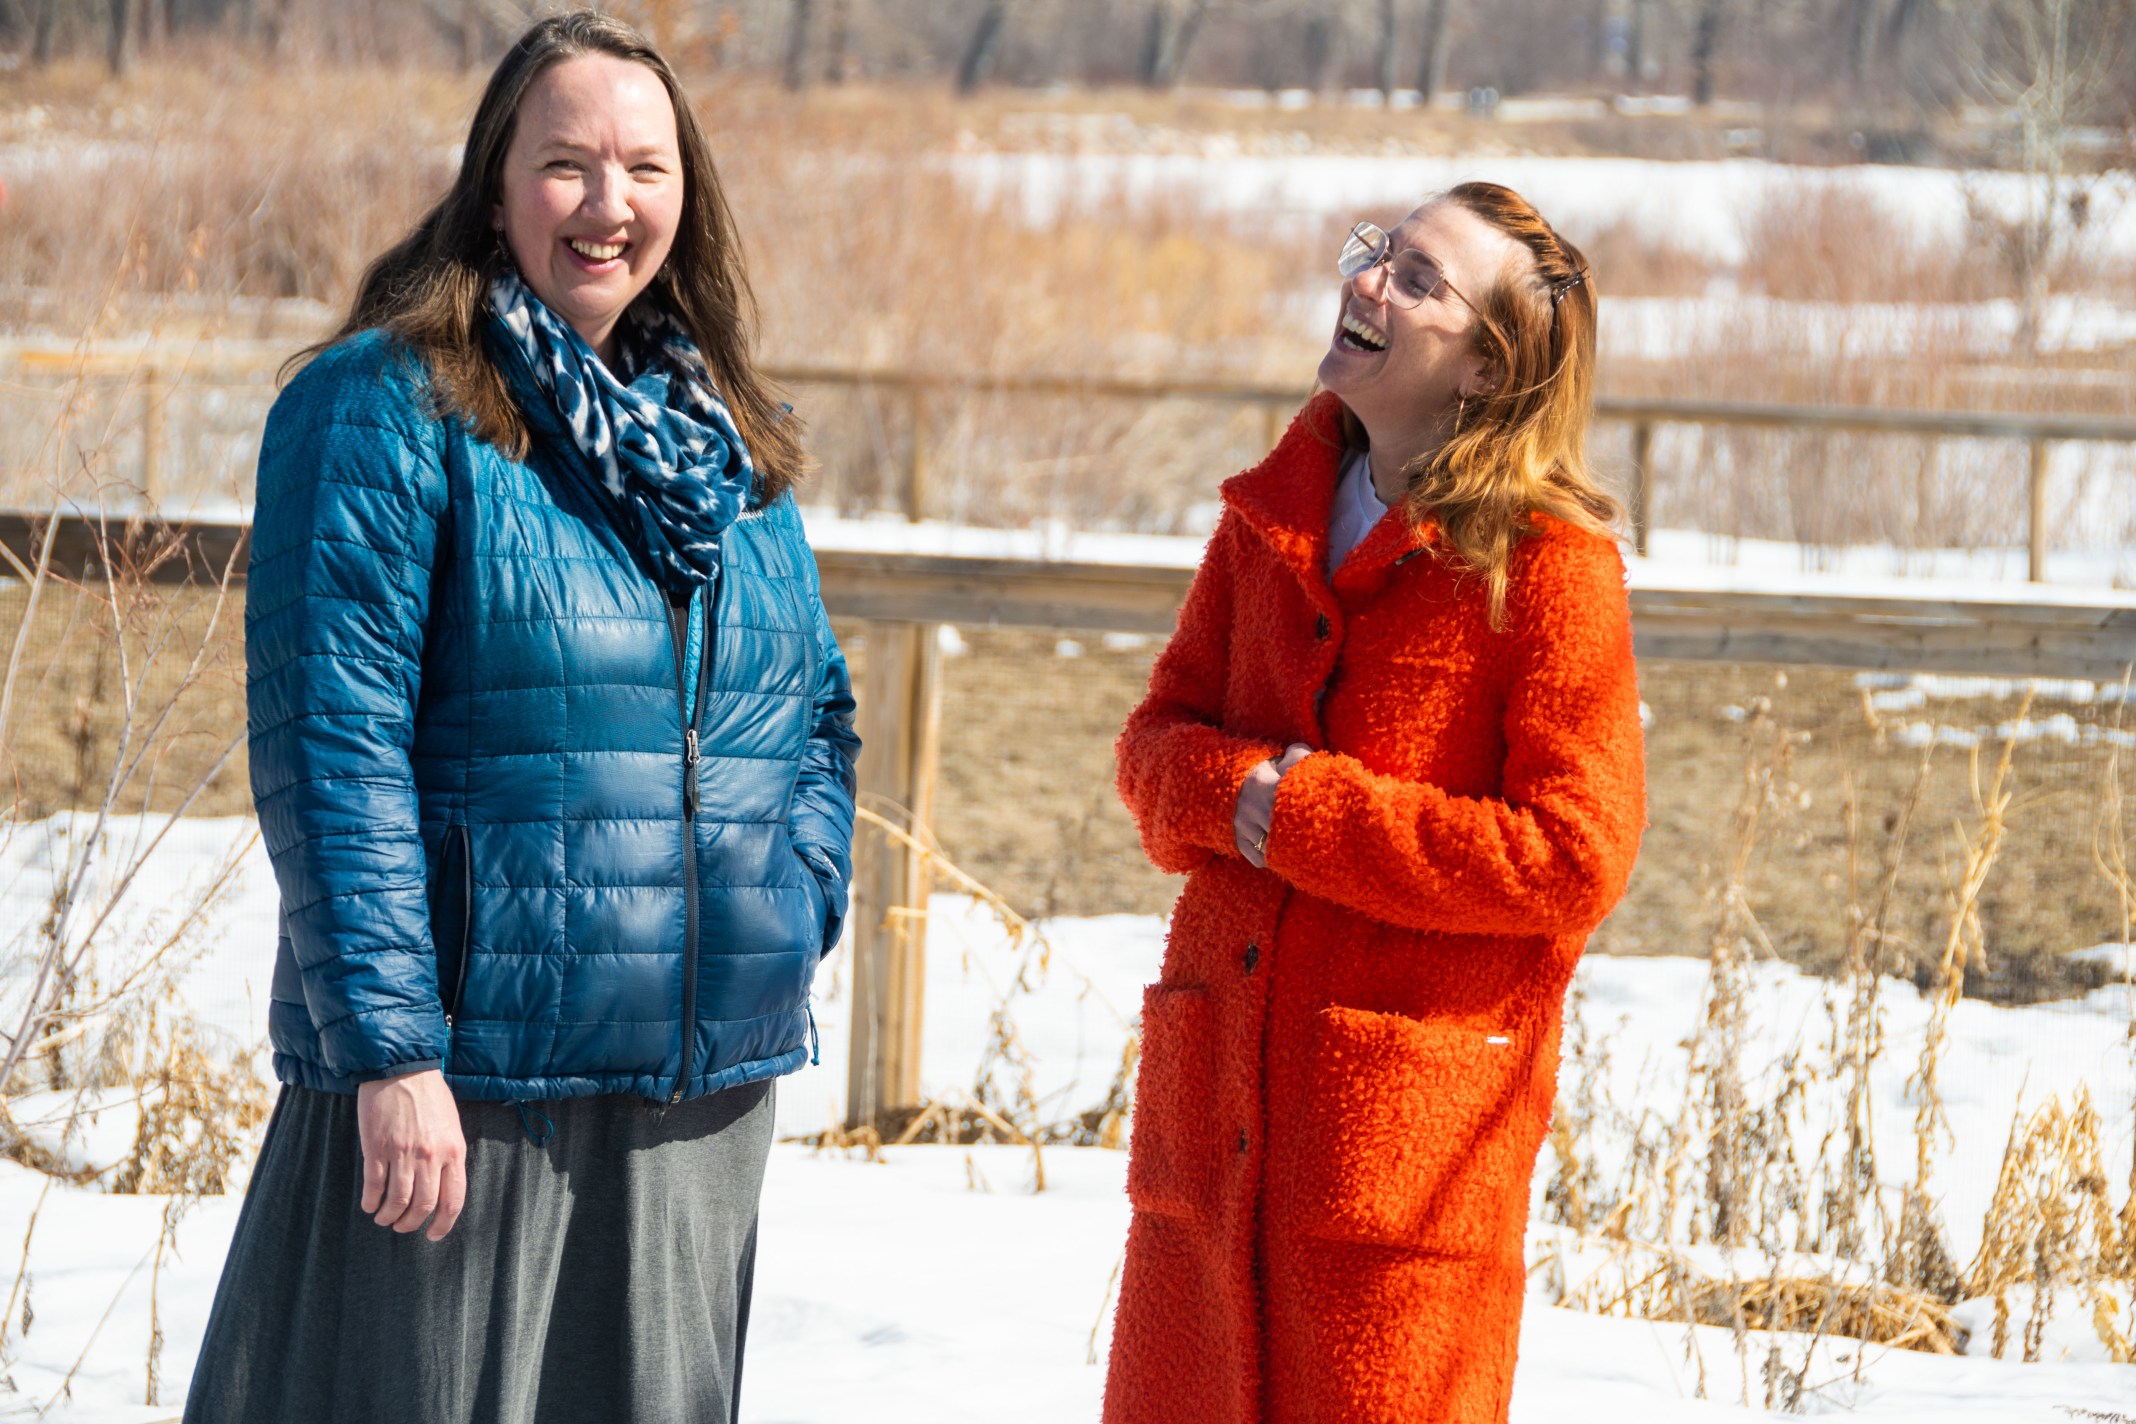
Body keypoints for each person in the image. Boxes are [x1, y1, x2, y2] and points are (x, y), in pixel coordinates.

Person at [185, 13, 858, 1423]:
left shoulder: (728, 440)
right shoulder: (385, 405)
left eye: (646, 167)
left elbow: (816, 717)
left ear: (686, 194)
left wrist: (791, 902)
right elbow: (332, 747)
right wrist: (392, 1051)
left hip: (693, 1099)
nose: (609, 204)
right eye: (567, 164)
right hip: (471, 1090)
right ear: (495, 185)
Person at [1104, 182, 1647, 1423]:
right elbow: (1154, 744)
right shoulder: (1268, 521)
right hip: (1211, 1145)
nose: (1367, 283)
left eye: (1417, 278)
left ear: (1487, 365)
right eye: (1378, 254)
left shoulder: (1552, 567)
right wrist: (1232, 792)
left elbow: (1575, 853)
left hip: (1402, 1173)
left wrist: (1306, 817)